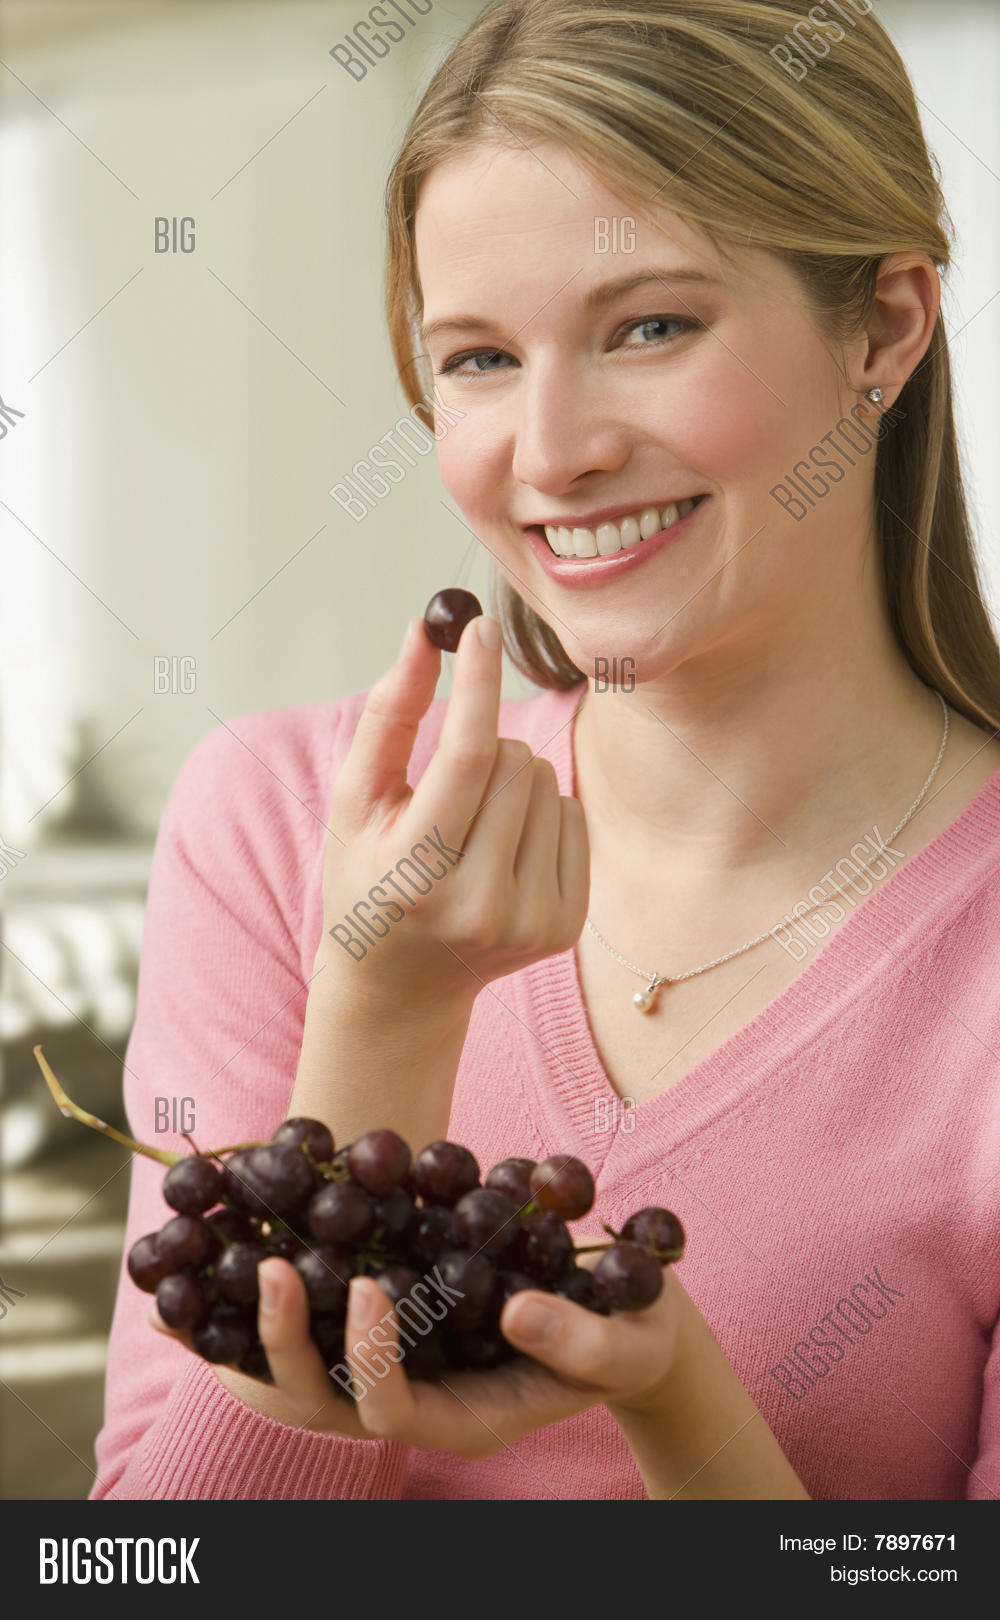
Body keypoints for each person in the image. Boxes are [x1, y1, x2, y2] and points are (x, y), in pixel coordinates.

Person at [91, 0, 1000, 1500]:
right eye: (479, 360)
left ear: (886, 327)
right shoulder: (269, 824)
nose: (553, 450)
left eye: (652, 326)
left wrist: (677, 1397)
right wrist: (378, 1020)